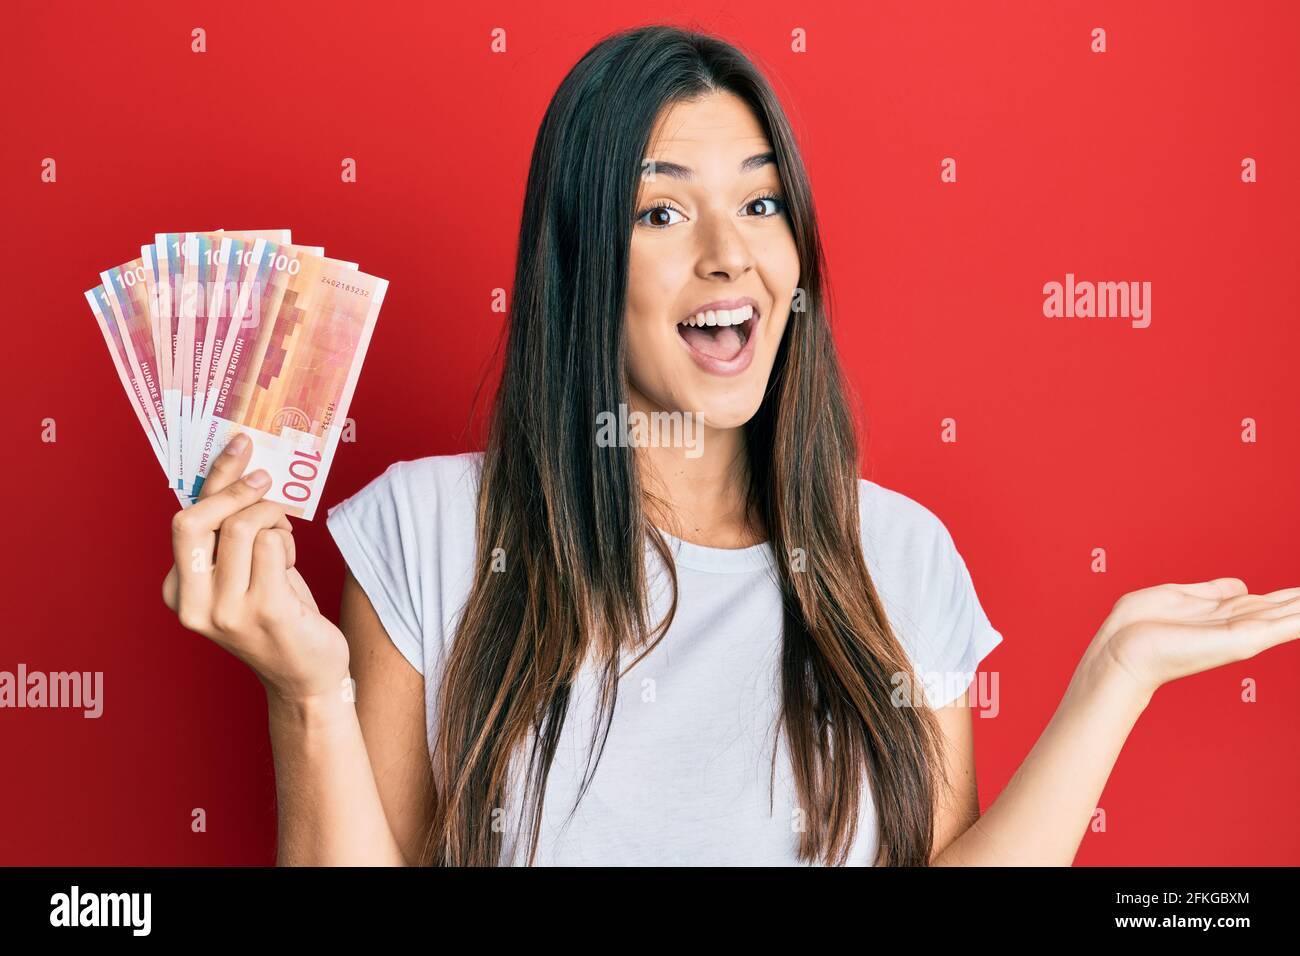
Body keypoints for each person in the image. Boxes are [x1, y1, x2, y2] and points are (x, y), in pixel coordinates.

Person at [160, 25, 1300, 867]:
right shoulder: (425, 530)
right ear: (579, 268)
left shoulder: (900, 558)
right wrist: (305, 696)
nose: (729, 255)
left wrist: (1111, 681)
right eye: (661, 212)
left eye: (760, 206)